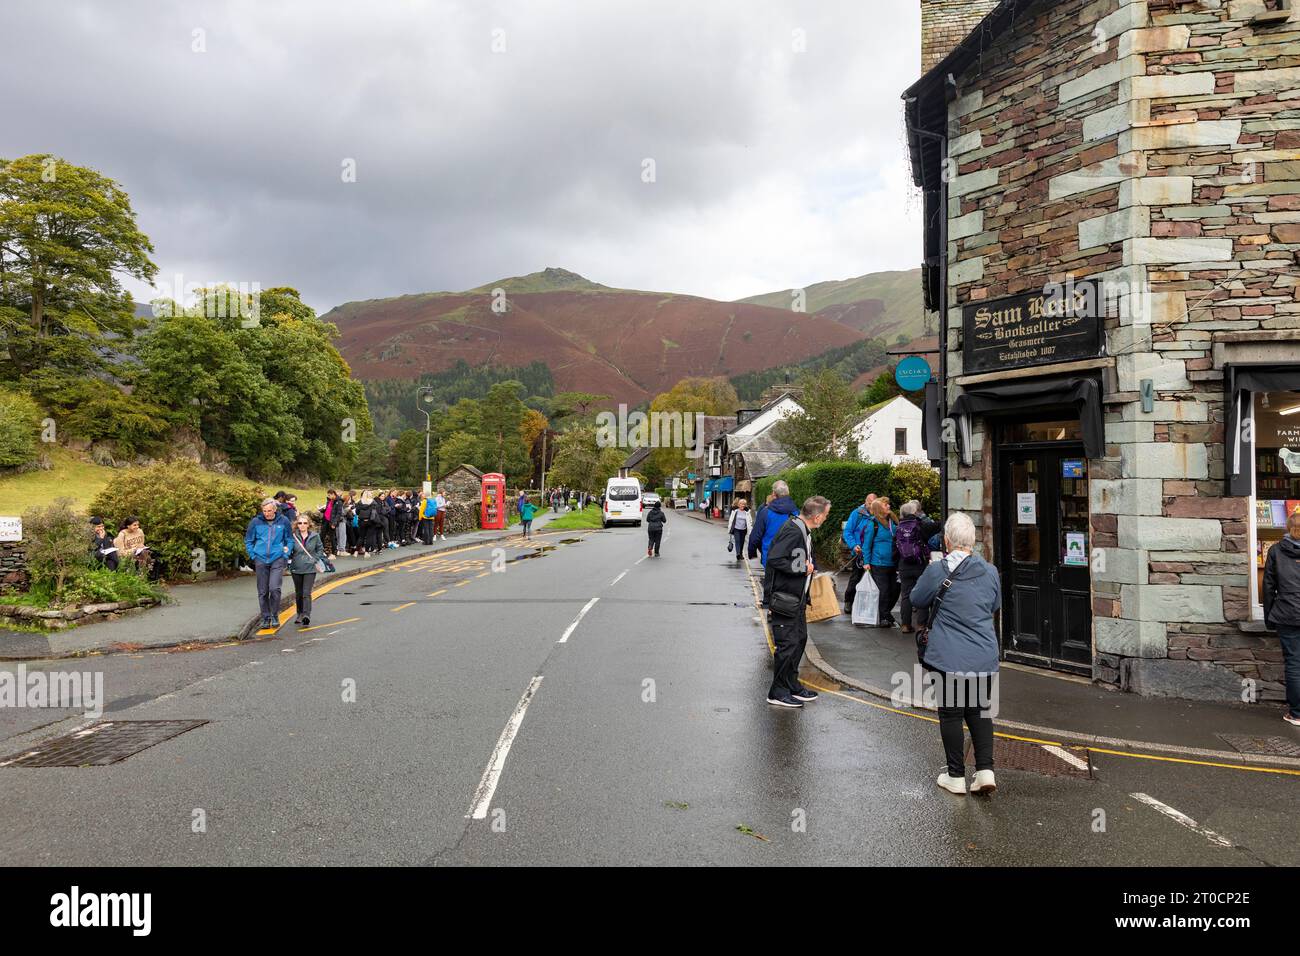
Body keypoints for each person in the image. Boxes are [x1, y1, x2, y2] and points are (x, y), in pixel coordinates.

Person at [912, 512, 1002, 796]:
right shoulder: (990, 571)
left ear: (947, 541)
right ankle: (985, 770)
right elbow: (994, 604)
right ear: (973, 542)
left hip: (949, 656)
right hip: (984, 653)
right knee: (979, 711)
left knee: (951, 714)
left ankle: (955, 776)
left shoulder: (937, 570)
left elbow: (916, 598)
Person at [764, 496, 832, 708]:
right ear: (818, 516)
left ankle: (791, 685)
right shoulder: (794, 530)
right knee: (787, 645)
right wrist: (803, 569)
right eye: (826, 515)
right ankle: (777, 692)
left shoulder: (801, 529)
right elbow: (774, 559)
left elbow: (800, 557)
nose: (826, 518)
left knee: (799, 640)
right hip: (785, 599)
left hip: (797, 598)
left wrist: (812, 567)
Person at [1263, 510, 1300, 726]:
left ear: (1288, 528)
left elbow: (1268, 587)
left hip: (1286, 613)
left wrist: (1269, 617)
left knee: (1294, 663)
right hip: (1287, 613)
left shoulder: (1276, 551)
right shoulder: (1276, 551)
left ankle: (1297, 713)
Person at [895, 500, 945, 633]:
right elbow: (940, 526)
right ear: (914, 512)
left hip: (904, 565)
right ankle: (921, 624)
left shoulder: (898, 528)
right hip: (919, 564)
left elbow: (894, 549)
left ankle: (905, 624)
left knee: (905, 595)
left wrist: (897, 565)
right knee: (923, 592)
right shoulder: (921, 525)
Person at [245, 498, 292, 630]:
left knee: (274, 588)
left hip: (277, 558)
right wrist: (253, 555)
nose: (267, 513)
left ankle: (274, 615)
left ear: (275, 510)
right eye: (264, 511)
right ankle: (265, 618)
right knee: (263, 591)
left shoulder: (284, 521)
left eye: (269, 511)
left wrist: (285, 554)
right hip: (260, 559)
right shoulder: (255, 522)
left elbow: (289, 540)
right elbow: (249, 540)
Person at [287, 512, 330, 626]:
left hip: (310, 568)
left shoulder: (315, 536)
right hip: (296, 567)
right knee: (299, 593)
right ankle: (299, 613)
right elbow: (288, 550)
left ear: (308, 525)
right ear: (297, 524)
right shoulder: (292, 536)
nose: (302, 525)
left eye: (305, 523)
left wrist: (314, 559)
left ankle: (306, 615)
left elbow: (320, 549)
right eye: (300, 523)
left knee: (306, 592)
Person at [862, 498, 899, 628]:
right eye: (885, 504)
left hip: (894, 562)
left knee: (895, 590)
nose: (888, 505)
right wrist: (866, 562)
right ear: (879, 508)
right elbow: (866, 545)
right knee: (883, 590)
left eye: (888, 503)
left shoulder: (893, 520)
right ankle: (883, 616)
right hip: (878, 563)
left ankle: (886, 612)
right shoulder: (873, 524)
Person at [841, 492, 878, 614]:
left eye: (873, 503)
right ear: (865, 502)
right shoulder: (857, 513)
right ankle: (848, 601)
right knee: (855, 578)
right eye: (869, 503)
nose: (871, 506)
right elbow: (848, 532)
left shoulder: (879, 515)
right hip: (859, 552)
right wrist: (853, 545)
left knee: (875, 580)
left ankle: (870, 606)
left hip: (875, 553)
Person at [747, 480, 798, 566]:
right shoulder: (796, 512)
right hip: (791, 557)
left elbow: (756, 535)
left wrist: (752, 552)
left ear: (774, 494)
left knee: (771, 579)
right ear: (788, 493)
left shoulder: (765, 512)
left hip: (770, 556)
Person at [726, 498, 750, 562]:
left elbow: (749, 521)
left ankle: (741, 554)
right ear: (739, 505)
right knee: (737, 541)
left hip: (743, 529)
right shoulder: (735, 511)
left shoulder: (747, 512)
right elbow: (731, 520)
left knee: (742, 542)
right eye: (741, 504)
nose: (742, 505)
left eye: (744, 504)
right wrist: (730, 527)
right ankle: (738, 554)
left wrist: (749, 528)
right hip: (736, 529)